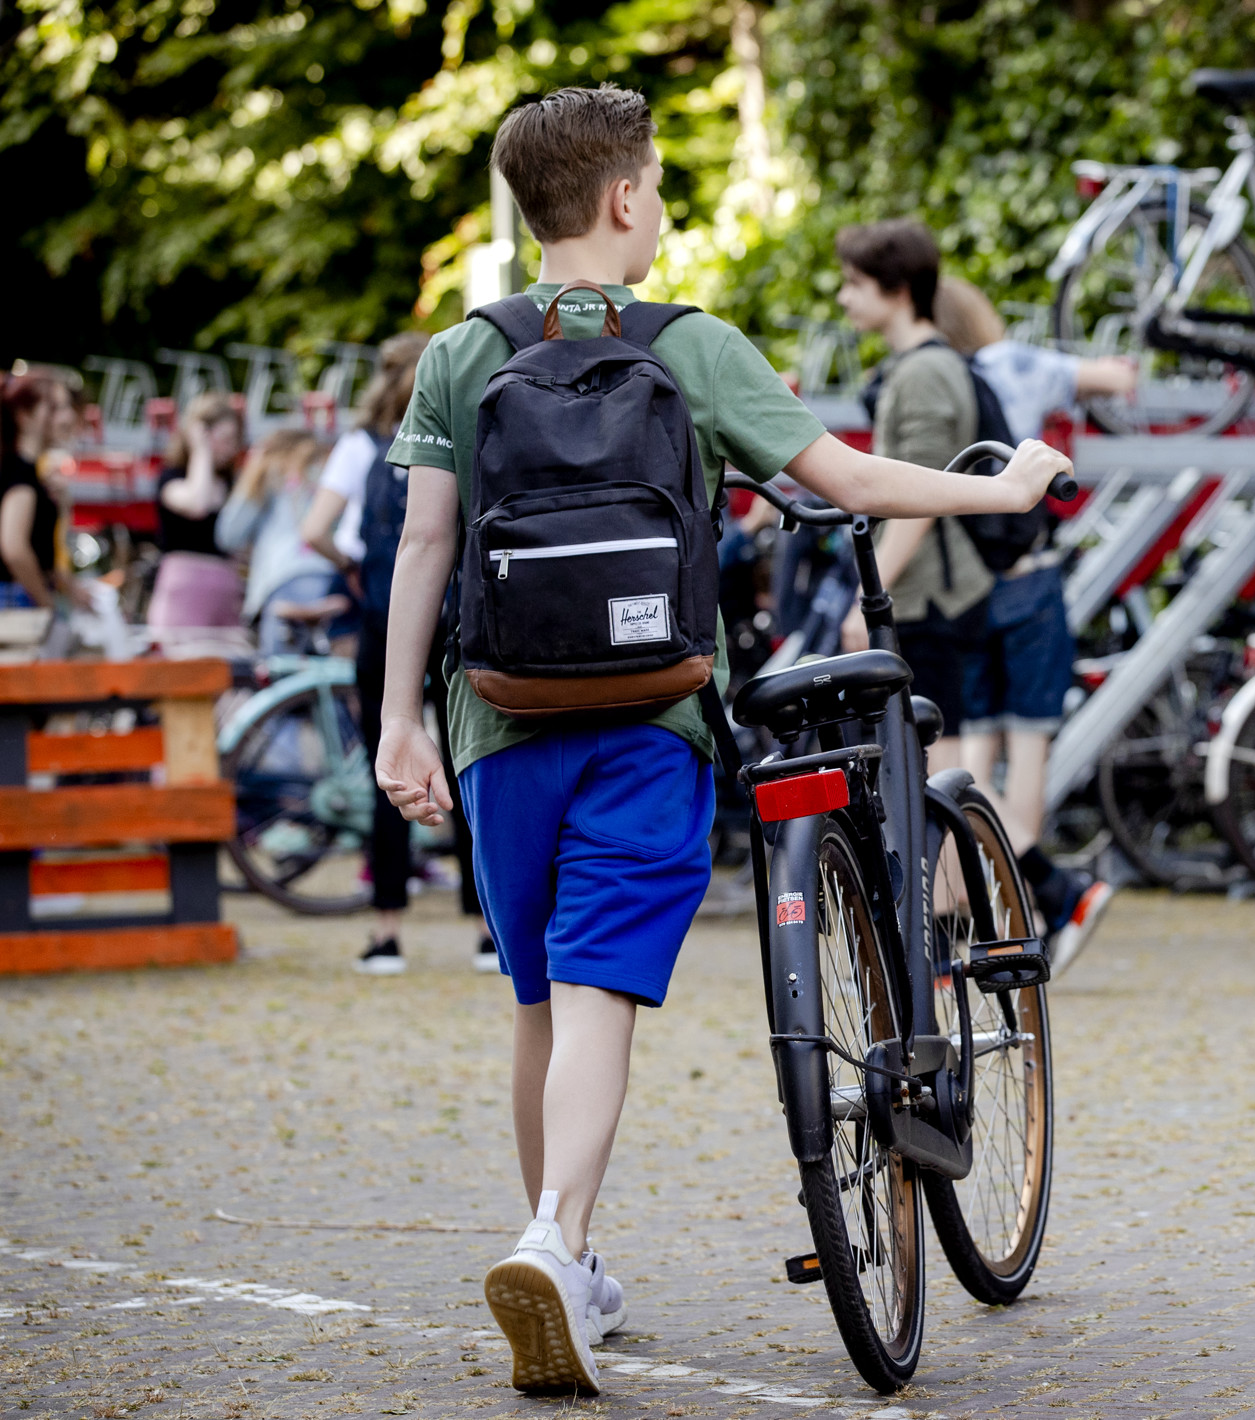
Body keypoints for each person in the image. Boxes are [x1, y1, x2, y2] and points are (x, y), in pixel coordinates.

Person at [372, 85, 1073, 1399]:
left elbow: (424, 543)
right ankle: (554, 1238)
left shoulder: (461, 354)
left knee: (540, 997)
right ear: (625, 199)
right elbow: (849, 483)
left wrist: (401, 719)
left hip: (496, 717)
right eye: (661, 191)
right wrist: (1006, 485)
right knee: (600, 992)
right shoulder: (691, 345)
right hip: (652, 715)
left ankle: (567, 1256)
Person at [932, 275, 1134, 975]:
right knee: (1027, 749)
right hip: (1030, 577)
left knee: (968, 754)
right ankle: (1041, 908)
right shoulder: (1015, 363)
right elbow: (1112, 378)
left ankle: (966, 906)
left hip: (967, 582)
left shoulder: (936, 379)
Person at [300, 333, 491, 977]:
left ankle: (386, 933)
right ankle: (485, 928)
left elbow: (313, 530)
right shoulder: (458, 426)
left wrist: (355, 570)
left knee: (393, 769)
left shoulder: (358, 447)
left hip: (387, 618)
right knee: (466, 762)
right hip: (455, 617)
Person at [834, 218, 991, 773]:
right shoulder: (916, 366)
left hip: (929, 596)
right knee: (917, 776)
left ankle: (962, 865)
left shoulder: (925, 372)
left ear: (897, 290)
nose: (843, 296)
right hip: (923, 592)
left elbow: (920, 497)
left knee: (933, 783)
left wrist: (870, 596)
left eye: (856, 282)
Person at [216, 429, 352, 655]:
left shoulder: (270, 473)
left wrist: (252, 473)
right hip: (332, 582)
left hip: (281, 584)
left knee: (280, 676)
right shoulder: (333, 474)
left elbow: (229, 536)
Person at [149, 392, 246, 651]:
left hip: (225, 588)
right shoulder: (172, 477)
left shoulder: (230, 483)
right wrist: (200, 450)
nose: (231, 448)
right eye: (224, 439)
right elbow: (197, 504)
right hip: (186, 586)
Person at [0, 371, 77, 610]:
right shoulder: (20, 476)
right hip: (15, 602)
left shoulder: (29, 473)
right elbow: (14, 549)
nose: (67, 417)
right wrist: (46, 602)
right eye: (54, 408)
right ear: (24, 416)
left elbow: (39, 549)